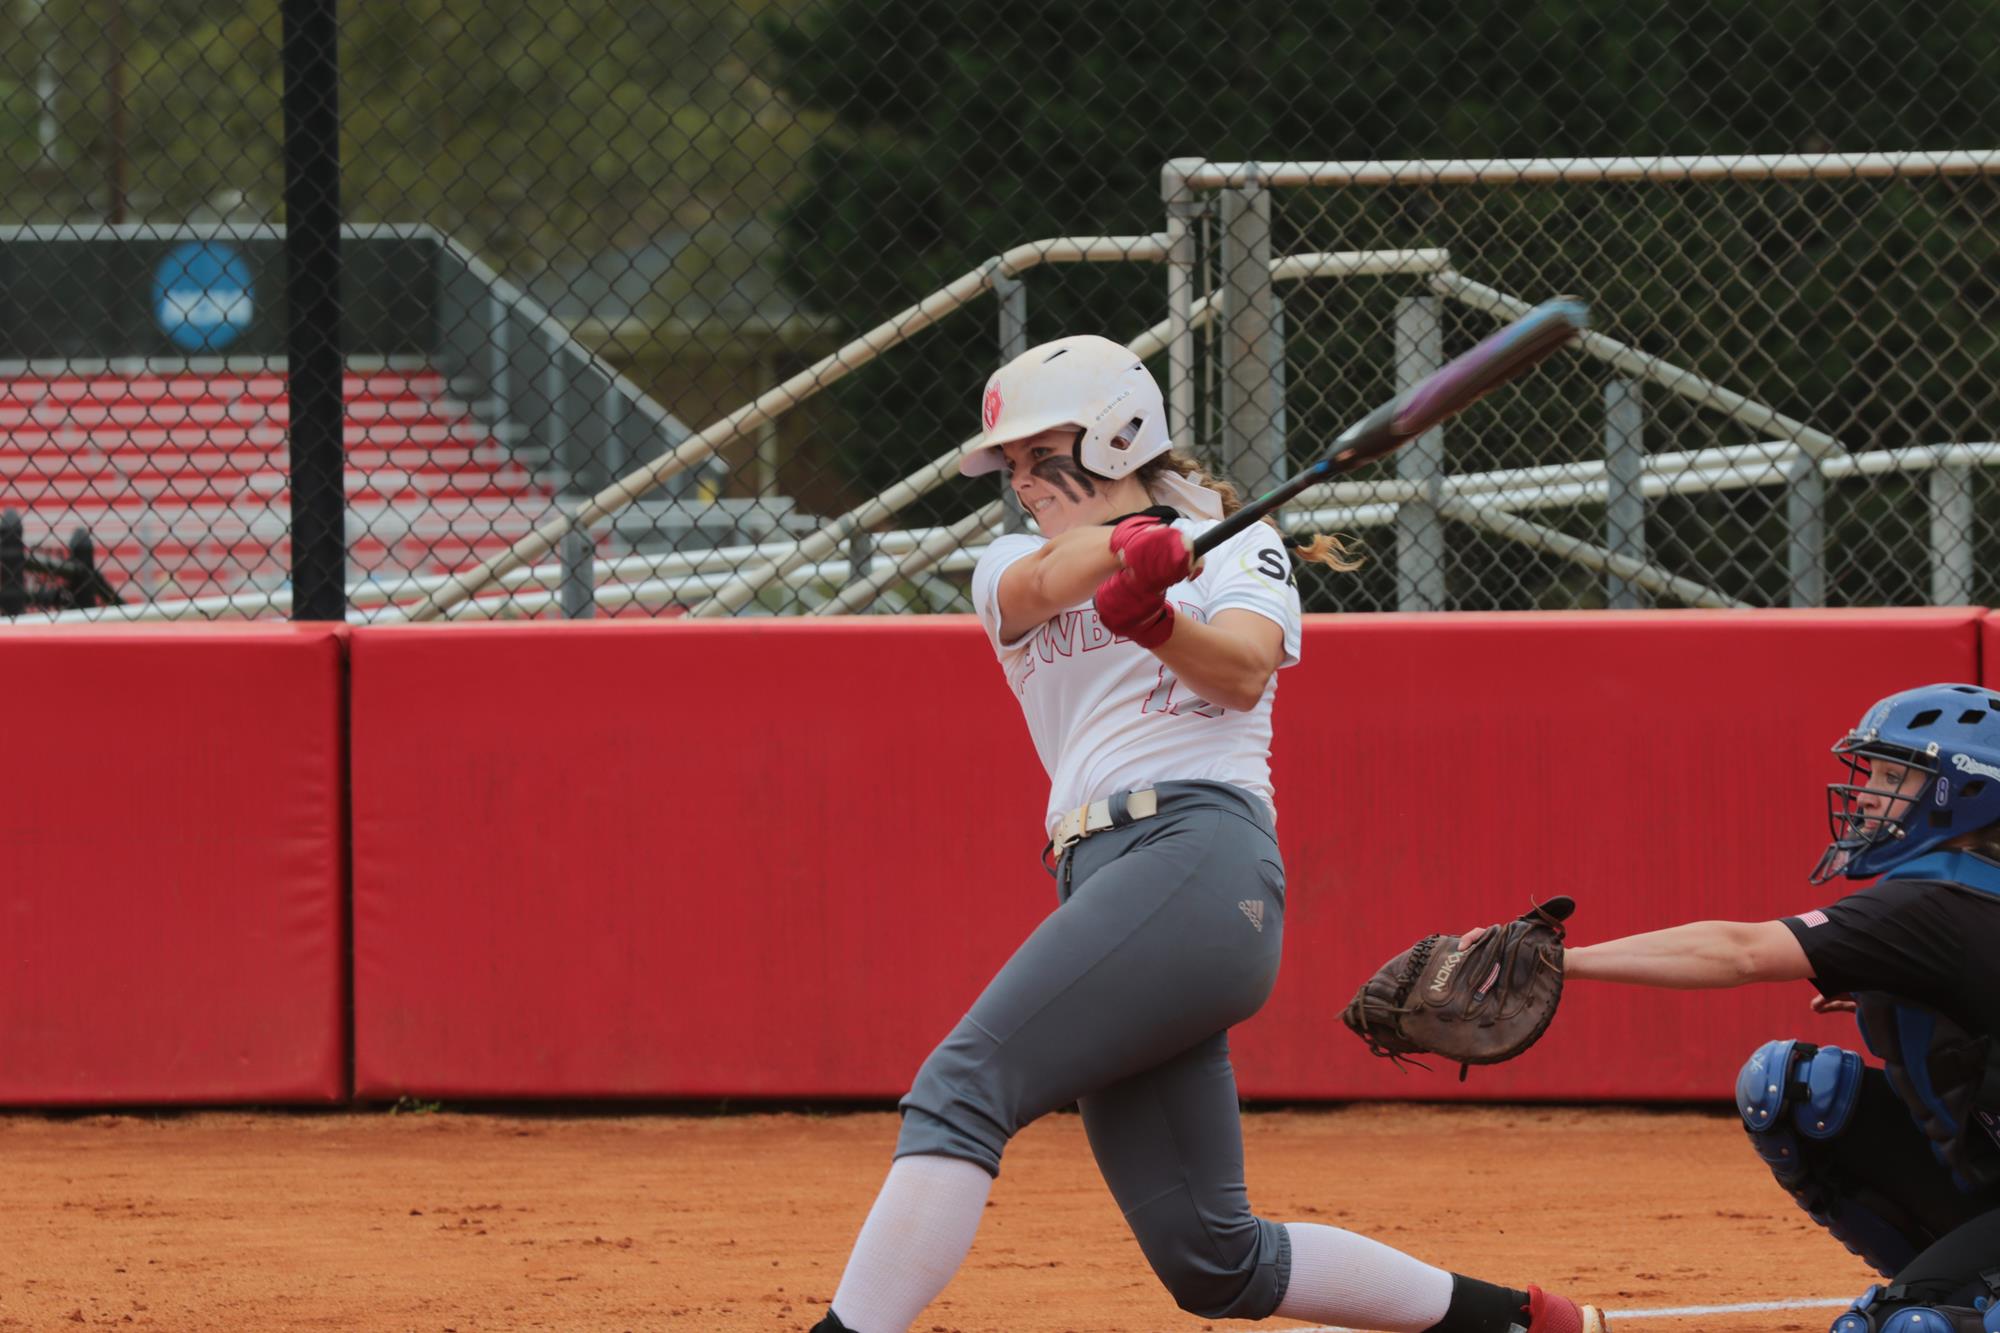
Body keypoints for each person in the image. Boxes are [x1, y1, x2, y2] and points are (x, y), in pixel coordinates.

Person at [808, 334, 1607, 1333]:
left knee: (961, 1086)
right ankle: (1525, 1324)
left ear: (1113, 433)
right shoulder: (1009, 559)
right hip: (1104, 883)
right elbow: (1043, 585)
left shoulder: (1238, 544)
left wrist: (1156, 618)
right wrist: (1127, 551)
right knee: (1210, 1258)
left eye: (1035, 453)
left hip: (1195, 862)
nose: (1019, 481)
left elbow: (1237, 669)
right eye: (1006, 464)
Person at [1462, 682, 2000, 1333]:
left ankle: (1954, 1298)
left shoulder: (1928, 905)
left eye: (1895, 775)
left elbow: (1739, 950)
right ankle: (1963, 1281)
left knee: (1906, 1327)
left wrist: (1557, 961)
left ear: (1963, 791)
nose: (1865, 795)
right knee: (1796, 1089)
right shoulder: (1958, 899)